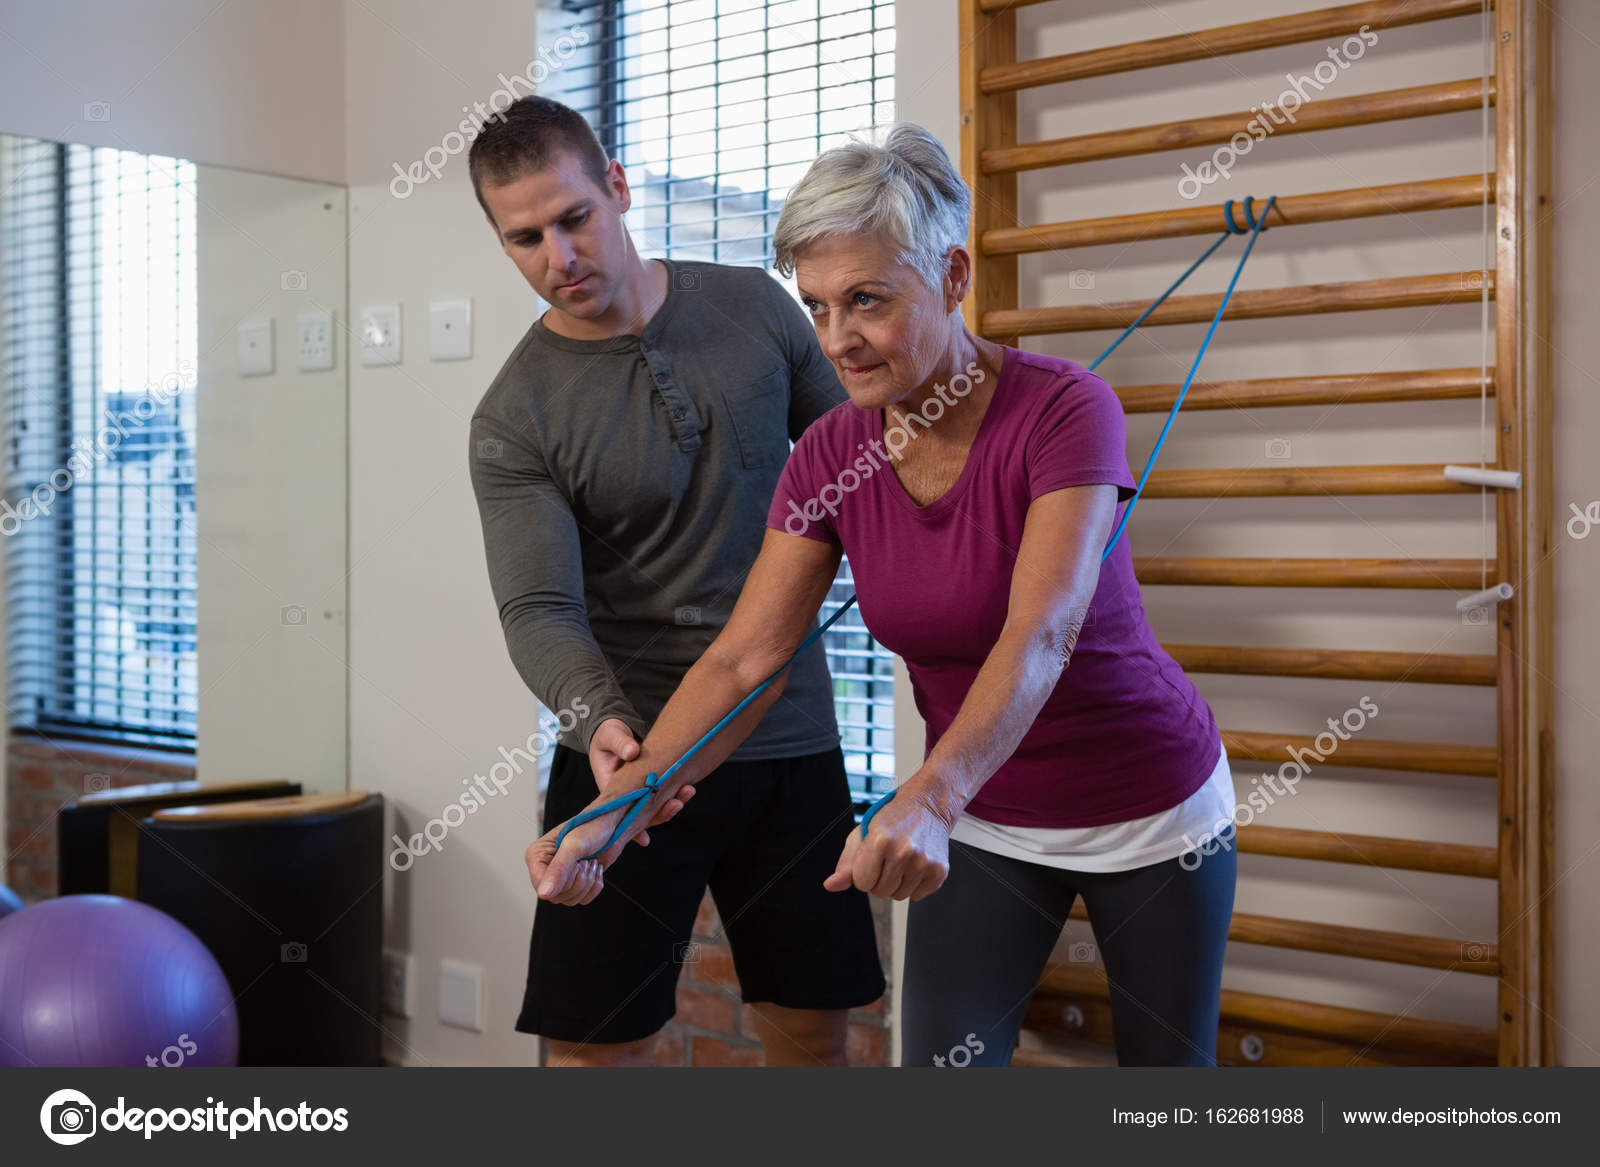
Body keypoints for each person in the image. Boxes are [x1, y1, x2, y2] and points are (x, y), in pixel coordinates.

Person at [530, 122, 1237, 1068]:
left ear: (950, 276)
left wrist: (932, 797)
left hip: (1147, 805)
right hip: (986, 815)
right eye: (816, 307)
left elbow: (1043, 630)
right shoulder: (830, 452)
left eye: (866, 301)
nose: (837, 341)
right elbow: (747, 656)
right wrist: (624, 802)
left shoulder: (1066, 410)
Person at [467, 96, 885, 1067]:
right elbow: (538, 607)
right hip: (631, 757)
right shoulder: (514, 415)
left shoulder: (755, 307)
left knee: (808, 1032)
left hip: (792, 744)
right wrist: (603, 724)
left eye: (572, 218)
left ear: (615, 188)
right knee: (588, 1051)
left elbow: (865, 471)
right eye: (524, 237)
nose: (557, 256)